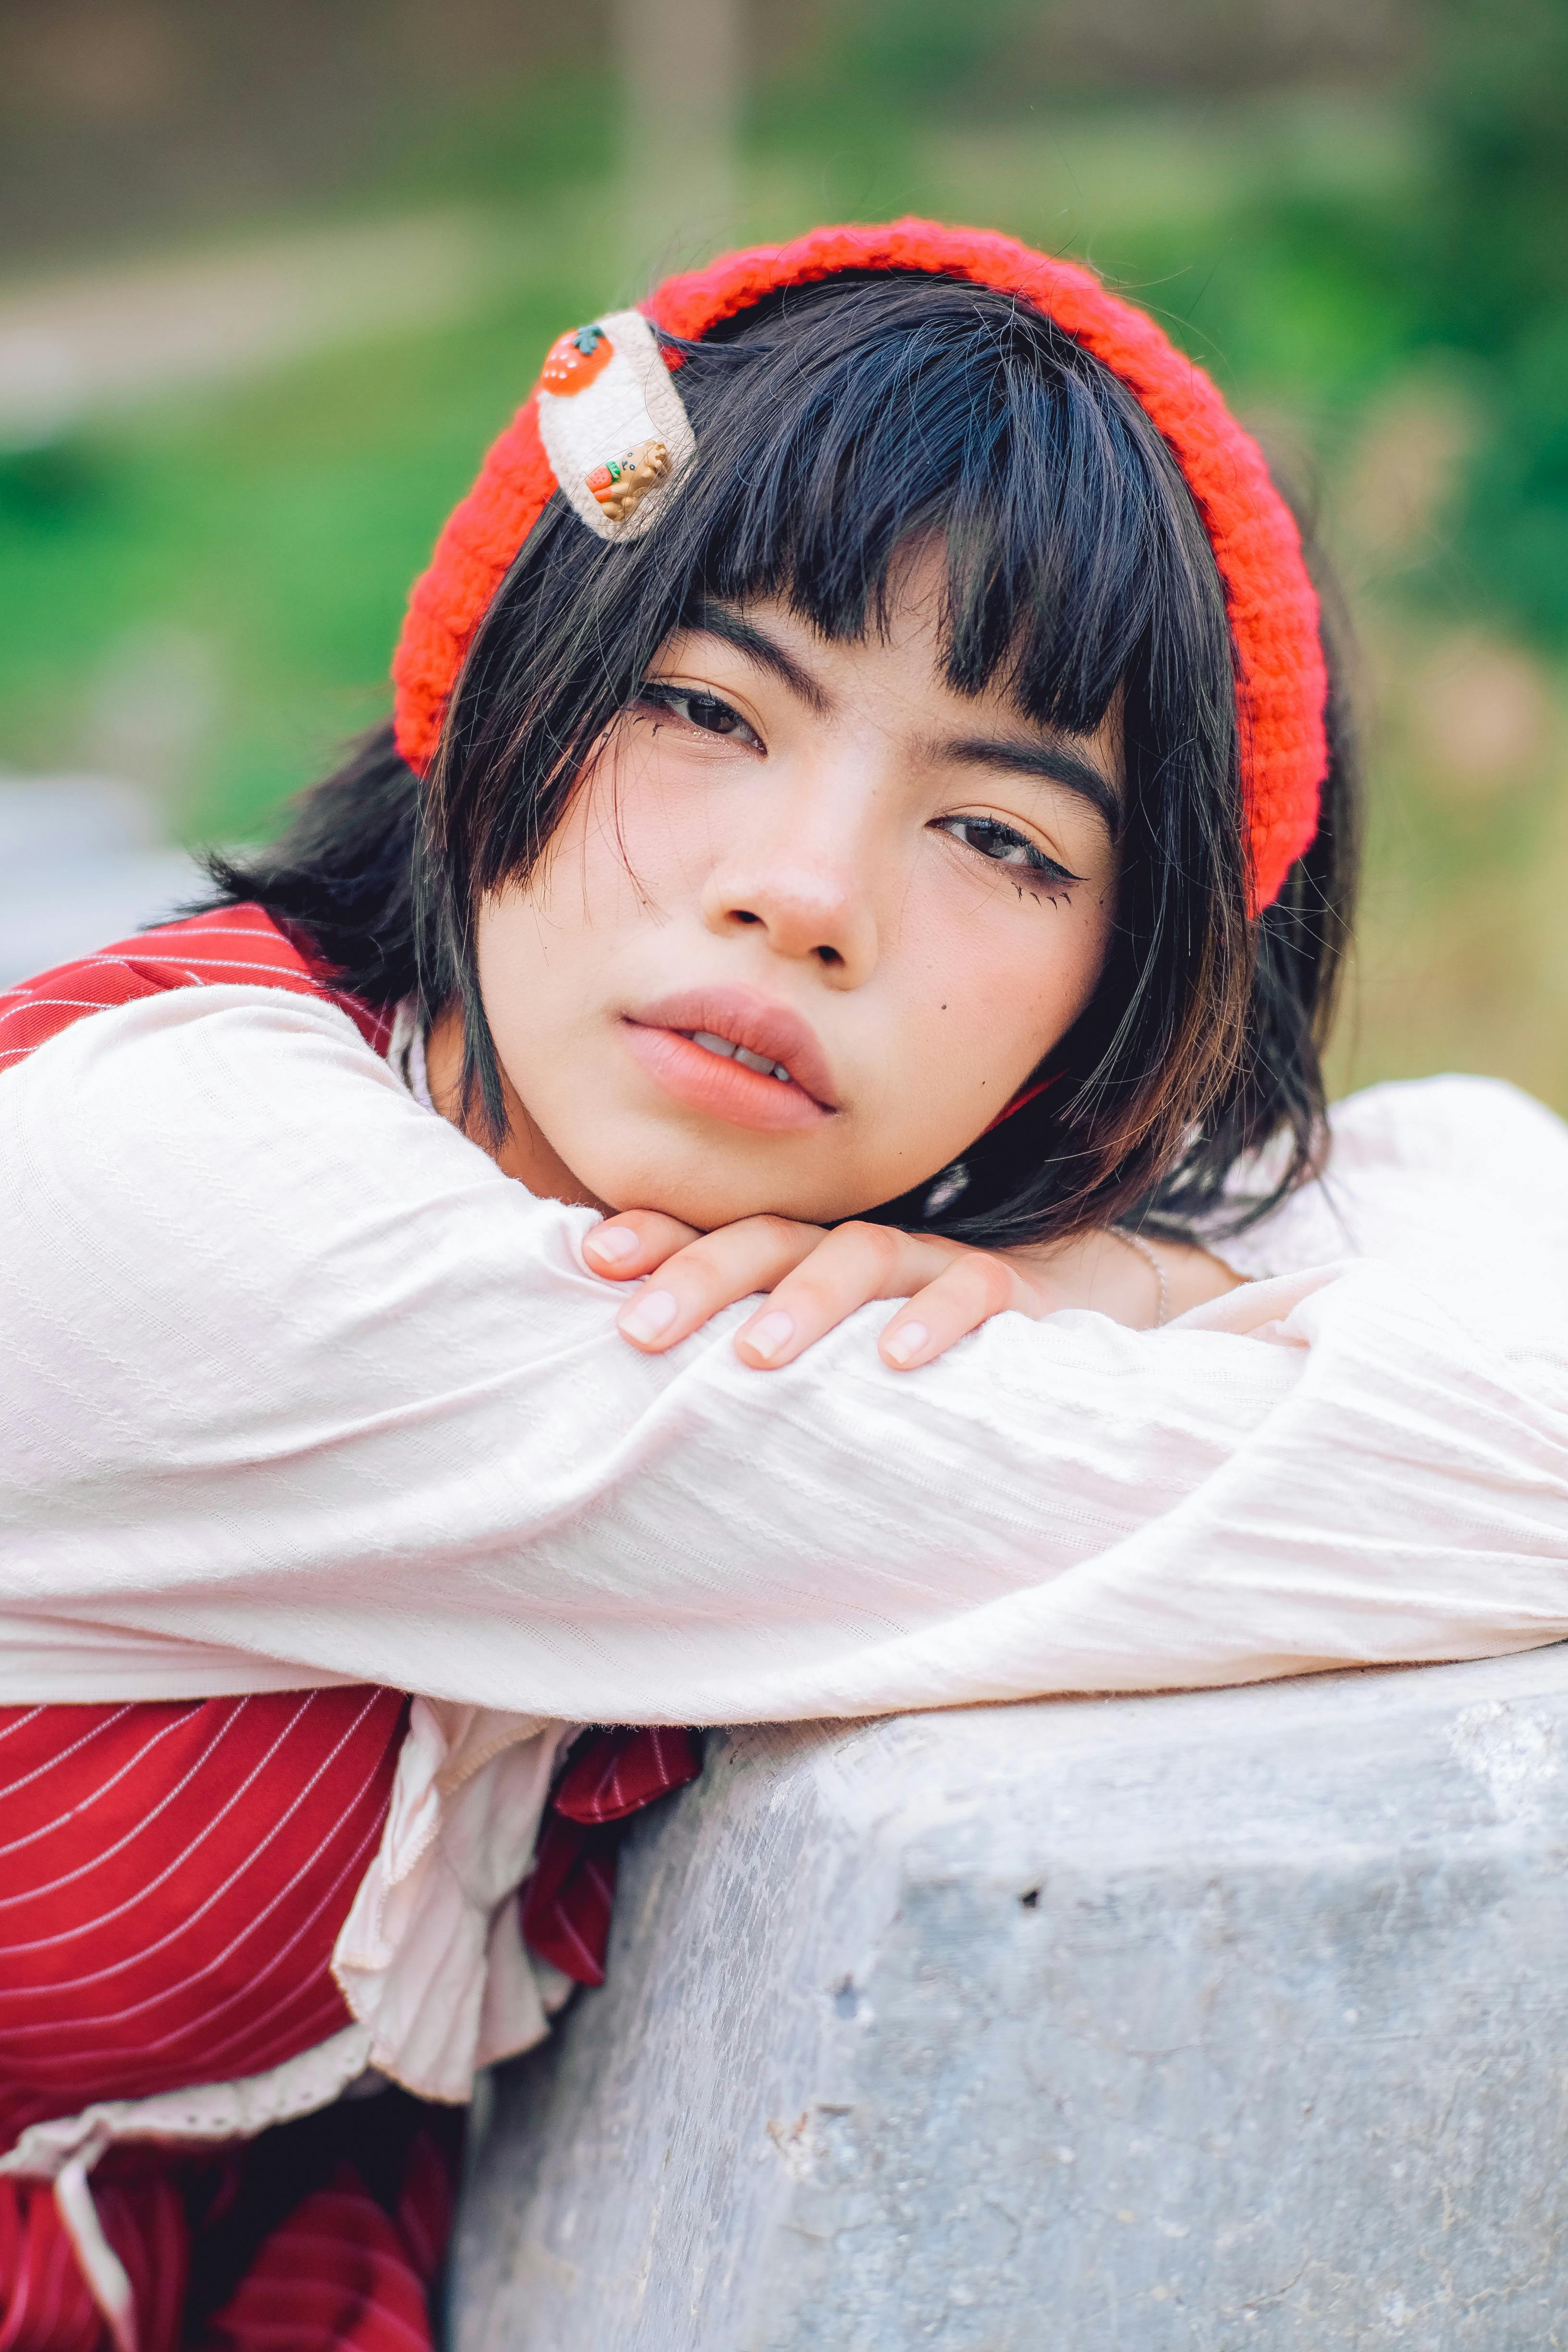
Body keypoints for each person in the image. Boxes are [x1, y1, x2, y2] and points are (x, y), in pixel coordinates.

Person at [2, 220, 1565, 2351]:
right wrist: (1124, 1309)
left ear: (1121, 999)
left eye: (1003, 840)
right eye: (708, 706)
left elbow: (1464, 1167)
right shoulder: (194, 1204)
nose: (807, 892)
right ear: (504, 693)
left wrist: (1101, 1270)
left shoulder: (741, 1239)